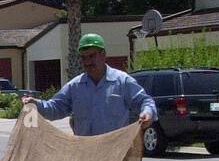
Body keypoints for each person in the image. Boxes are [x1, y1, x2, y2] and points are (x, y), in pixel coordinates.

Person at [23, 33, 156, 137]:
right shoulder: (74, 86)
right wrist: (36, 104)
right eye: (83, 57)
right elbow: (55, 108)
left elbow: (145, 100)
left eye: (91, 56)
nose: (87, 62)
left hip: (115, 154)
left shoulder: (122, 81)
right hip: (86, 155)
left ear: (103, 55)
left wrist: (147, 113)